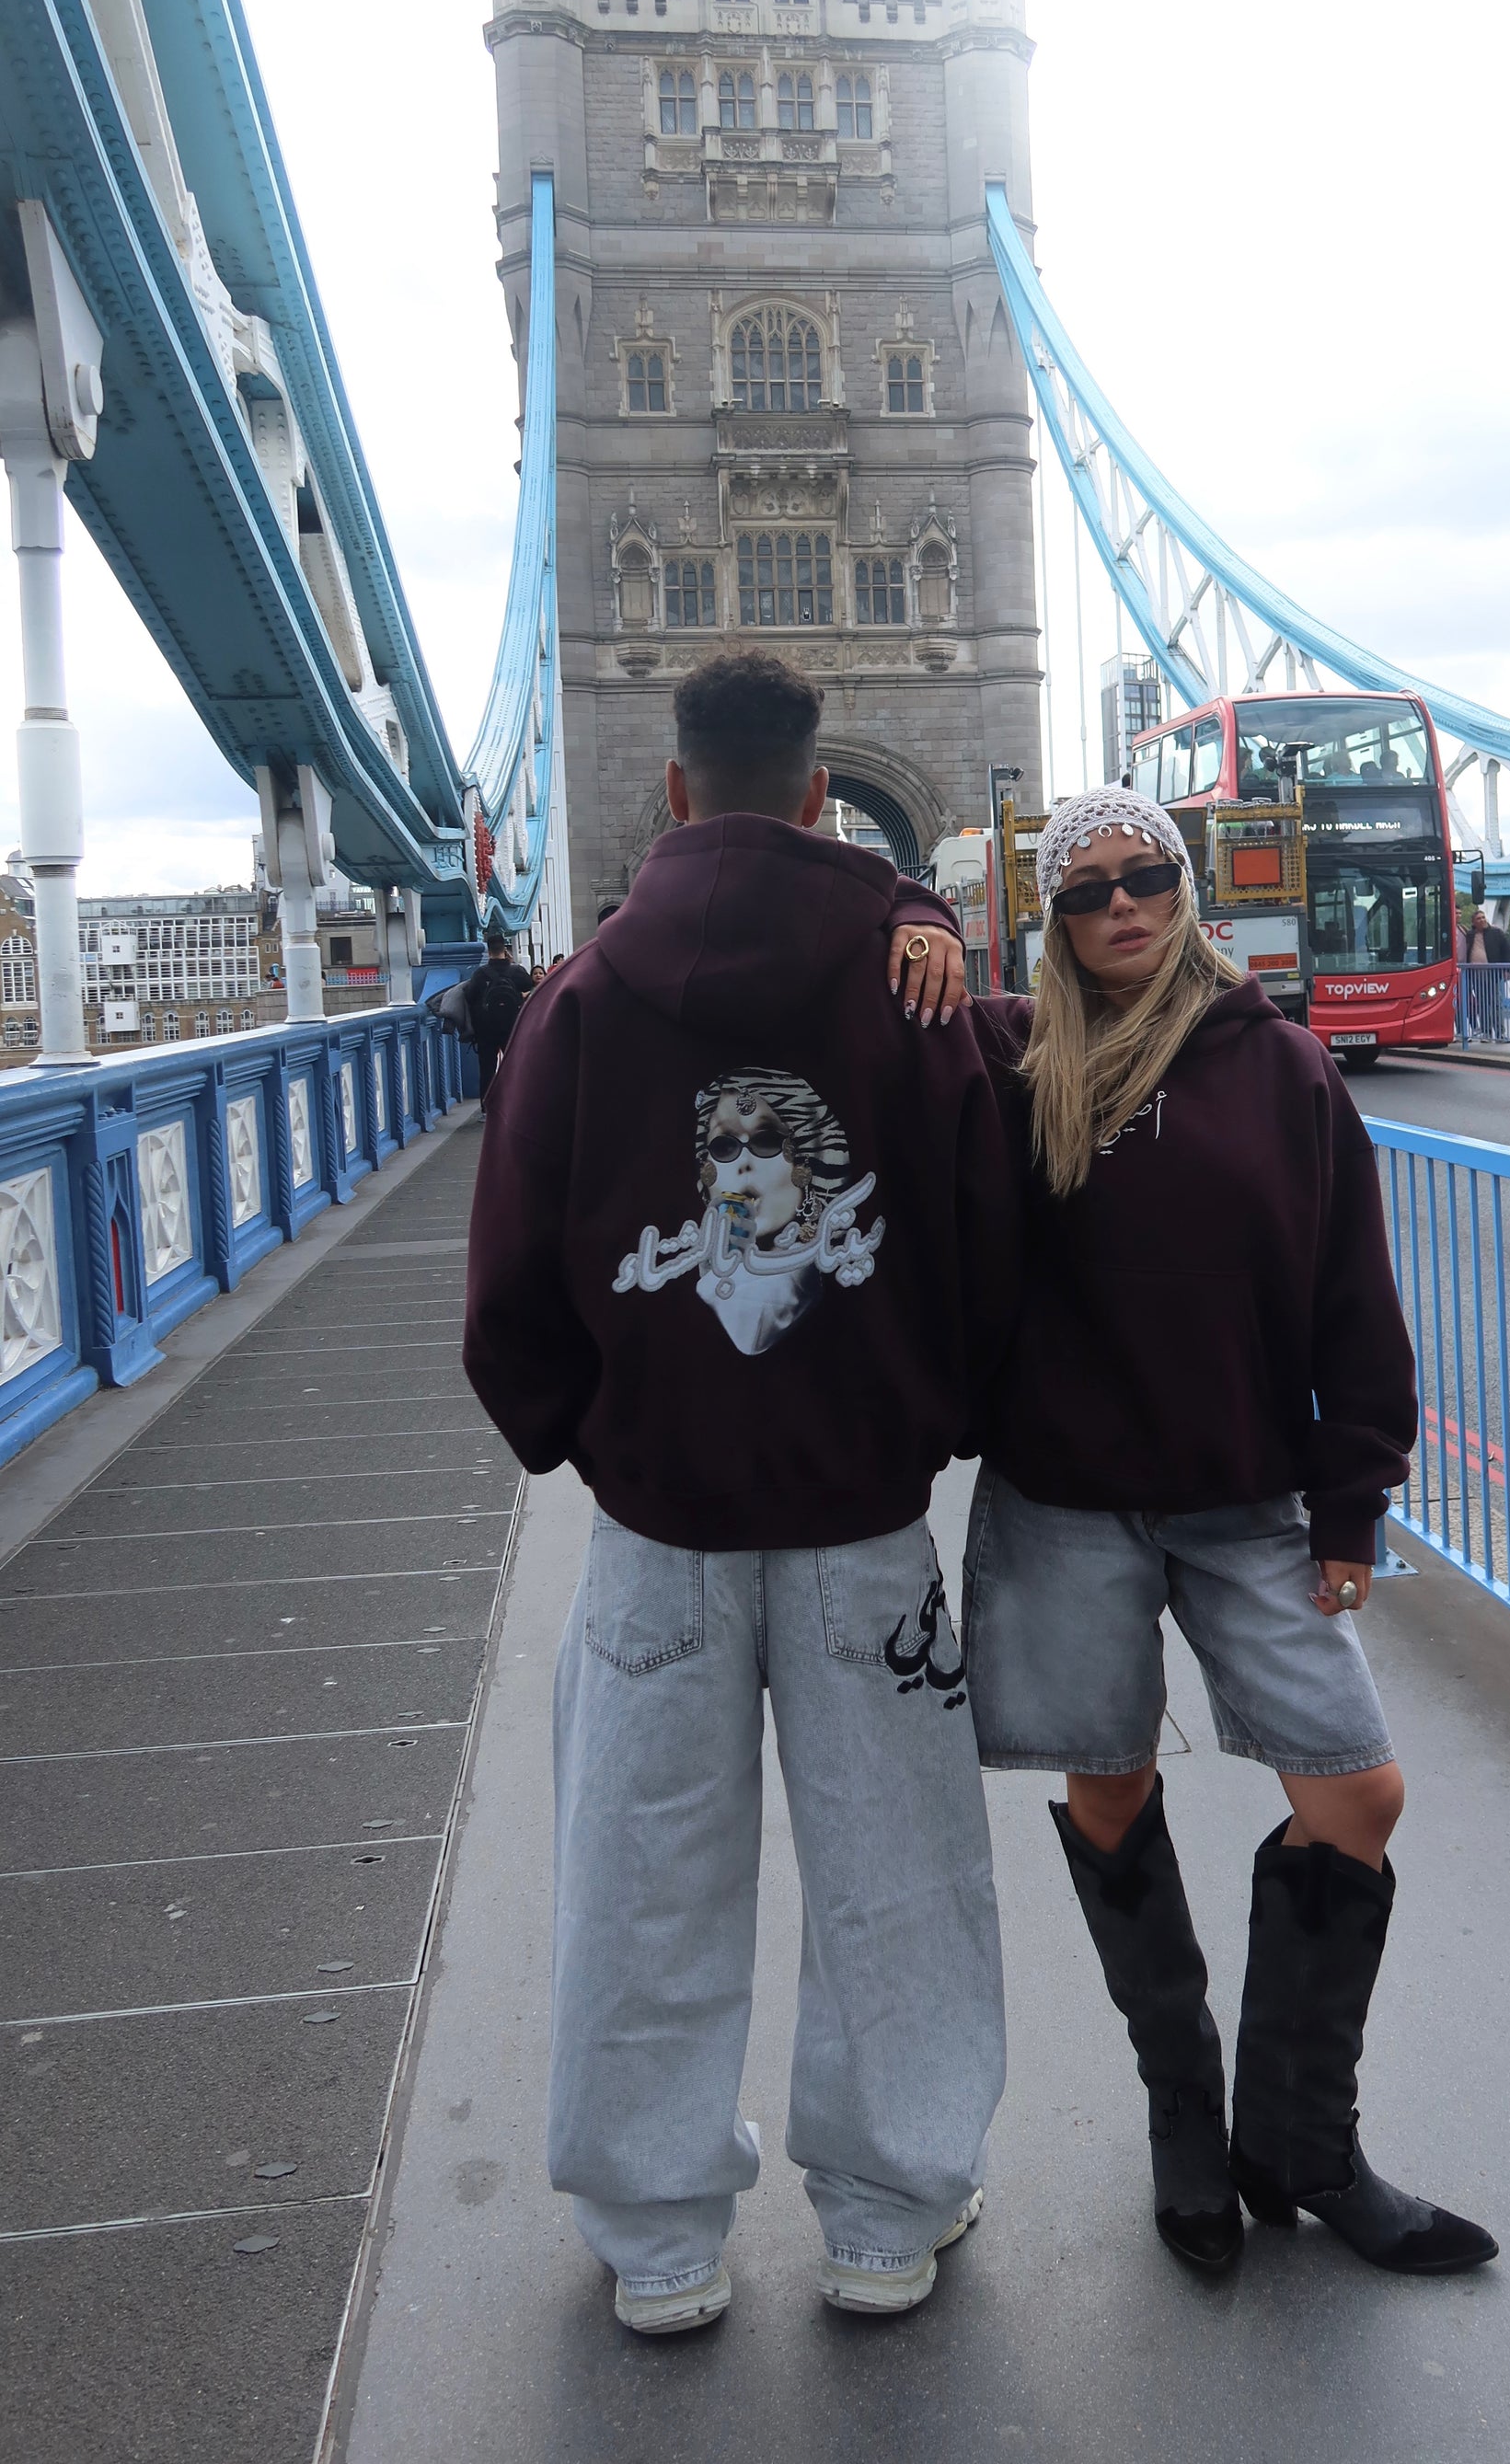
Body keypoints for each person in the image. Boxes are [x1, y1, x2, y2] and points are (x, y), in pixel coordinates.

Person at [463, 652, 1011, 2339]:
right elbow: (984, 1240)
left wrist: (601, 1439)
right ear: (820, 793)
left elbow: (506, 1281)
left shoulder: (575, 998)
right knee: (900, 1879)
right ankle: (887, 2215)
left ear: (676, 789)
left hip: (658, 1531)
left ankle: (659, 2243)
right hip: (863, 1526)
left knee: (640, 1881)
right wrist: (927, 1417)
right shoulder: (913, 988)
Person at [955, 784, 1495, 2285]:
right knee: (1111, 1788)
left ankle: (1301, 2142)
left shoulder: (1281, 1068)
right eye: (1084, 891)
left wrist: (1352, 1498)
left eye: (1145, 876)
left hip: (1249, 1499)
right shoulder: (1014, 1059)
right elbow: (849, 1012)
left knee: (1356, 1792)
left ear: (1184, 888)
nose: (1119, 905)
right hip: (1066, 1498)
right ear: (1052, 919)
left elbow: (1351, 1296)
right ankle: (1187, 2118)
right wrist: (908, 918)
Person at [465, 932, 531, 1108]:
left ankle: (487, 1108)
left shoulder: (481, 974)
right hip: (513, 1027)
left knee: (487, 1069)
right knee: (515, 1067)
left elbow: (469, 997)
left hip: (486, 1030)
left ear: (488, 951)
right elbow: (529, 985)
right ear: (505, 949)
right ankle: (517, 1105)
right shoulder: (517, 971)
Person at [1463, 906, 1510, 1040]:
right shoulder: (1470, 935)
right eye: (1478, 919)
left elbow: (1507, 951)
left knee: (1496, 1003)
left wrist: (1506, 969)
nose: (1482, 920)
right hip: (1476, 975)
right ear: (1473, 922)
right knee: (1482, 1004)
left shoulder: (1496, 933)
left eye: (1483, 917)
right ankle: (1486, 1032)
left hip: (1493, 974)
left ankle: (1500, 1032)